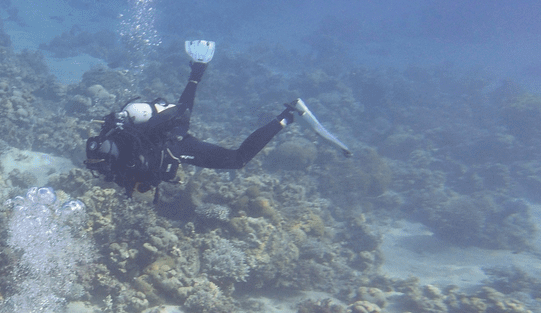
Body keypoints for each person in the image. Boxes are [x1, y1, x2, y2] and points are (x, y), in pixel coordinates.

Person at [85, 40, 351, 201]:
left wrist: (145, 185)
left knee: (237, 160)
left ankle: (287, 117)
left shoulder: (131, 165)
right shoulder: (117, 147)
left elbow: (157, 174)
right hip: (163, 126)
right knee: (181, 114)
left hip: (172, 143)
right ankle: (198, 69)